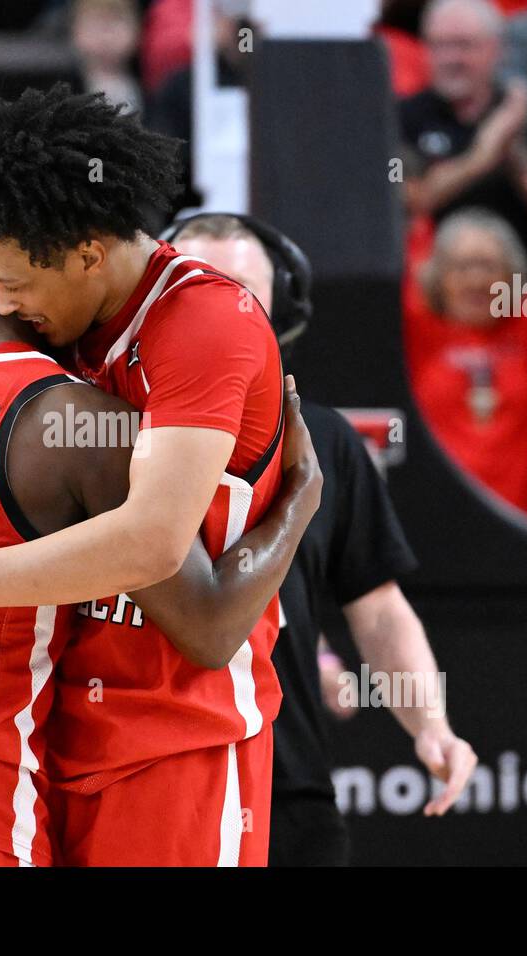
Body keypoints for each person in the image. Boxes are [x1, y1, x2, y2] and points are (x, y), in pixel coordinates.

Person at [0, 84, 287, 866]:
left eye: (15, 282)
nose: (1, 302)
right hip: (60, 738)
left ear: (88, 253)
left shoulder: (205, 324)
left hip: (179, 740)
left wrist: (304, 498)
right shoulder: (64, 337)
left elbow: (152, 547)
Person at [167, 212, 477, 866]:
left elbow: (379, 607)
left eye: (243, 297)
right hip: (144, 782)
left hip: (286, 789)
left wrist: (430, 725)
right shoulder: (103, 431)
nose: (221, 318)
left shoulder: (327, 442)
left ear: (281, 312)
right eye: (196, 293)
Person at [405, 202, 527, 530]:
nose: (476, 279)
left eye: (489, 266)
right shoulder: (421, 331)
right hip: (444, 529)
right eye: (461, 267)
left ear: (512, 277)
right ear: (439, 278)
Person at [398, 0, 527, 276]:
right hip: (436, 291)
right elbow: (412, 201)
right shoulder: (404, 116)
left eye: (464, 45)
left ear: (498, 49)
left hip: (526, 288)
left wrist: (512, 149)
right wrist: (482, 156)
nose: (451, 59)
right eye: (439, 45)